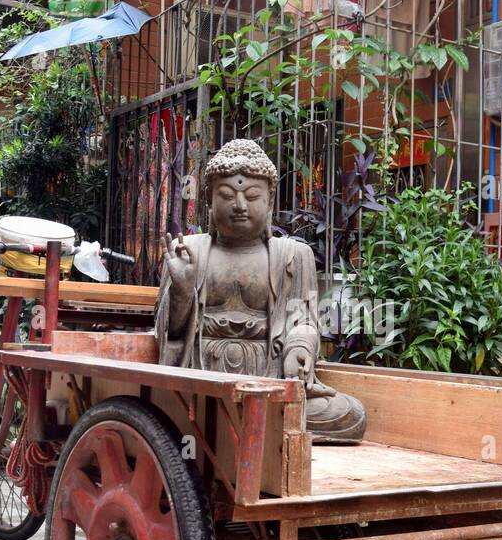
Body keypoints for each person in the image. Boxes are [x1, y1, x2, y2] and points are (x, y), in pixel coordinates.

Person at [156, 138, 366, 442]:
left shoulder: (294, 255)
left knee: (350, 414)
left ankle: (250, 426)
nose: (240, 206)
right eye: (226, 195)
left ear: (269, 200)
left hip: (271, 385)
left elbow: (304, 320)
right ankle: (260, 430)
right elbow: (168, 336)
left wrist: (299, 350)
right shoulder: (187, 252)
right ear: (208, 200)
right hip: (198, 387)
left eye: (252, 196)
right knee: (176, 408)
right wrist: (182, 291)